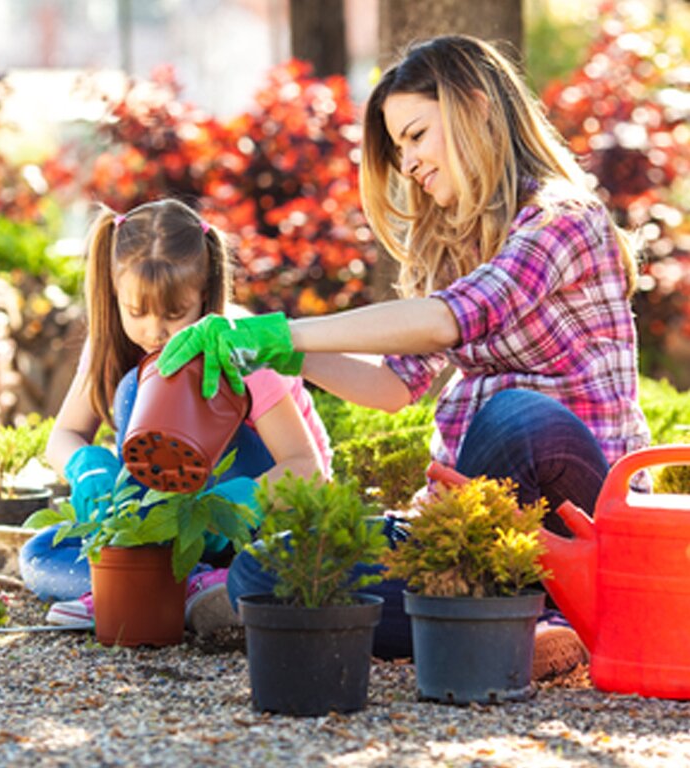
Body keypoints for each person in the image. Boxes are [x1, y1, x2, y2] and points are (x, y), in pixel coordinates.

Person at [157, 35, 651, 678]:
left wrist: (292, 331)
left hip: (580, 514)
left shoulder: (563, 220)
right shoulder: (454, 242)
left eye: (416, 135)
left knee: (514, 417)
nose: (409, 161)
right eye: (398, 147)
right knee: (269, 569)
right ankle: (499, 619)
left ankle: (544, 612)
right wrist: (273, 353)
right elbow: (393, 385)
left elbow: (453, 317)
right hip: (468, 525)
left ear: (474, 108)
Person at [20, 198, 331, 636]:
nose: (153, 331)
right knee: (37, 554)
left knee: (141, 386)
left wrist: (242, 501)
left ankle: (156, 587)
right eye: (136, 311)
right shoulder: (109, 345)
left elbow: (308, 469)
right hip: (166, 535)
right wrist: (85, 466)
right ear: (114, 294)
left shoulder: (237, 345)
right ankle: (186, 586)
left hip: (257, 522)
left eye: (174, 314)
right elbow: (65, 434)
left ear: (204, 297)